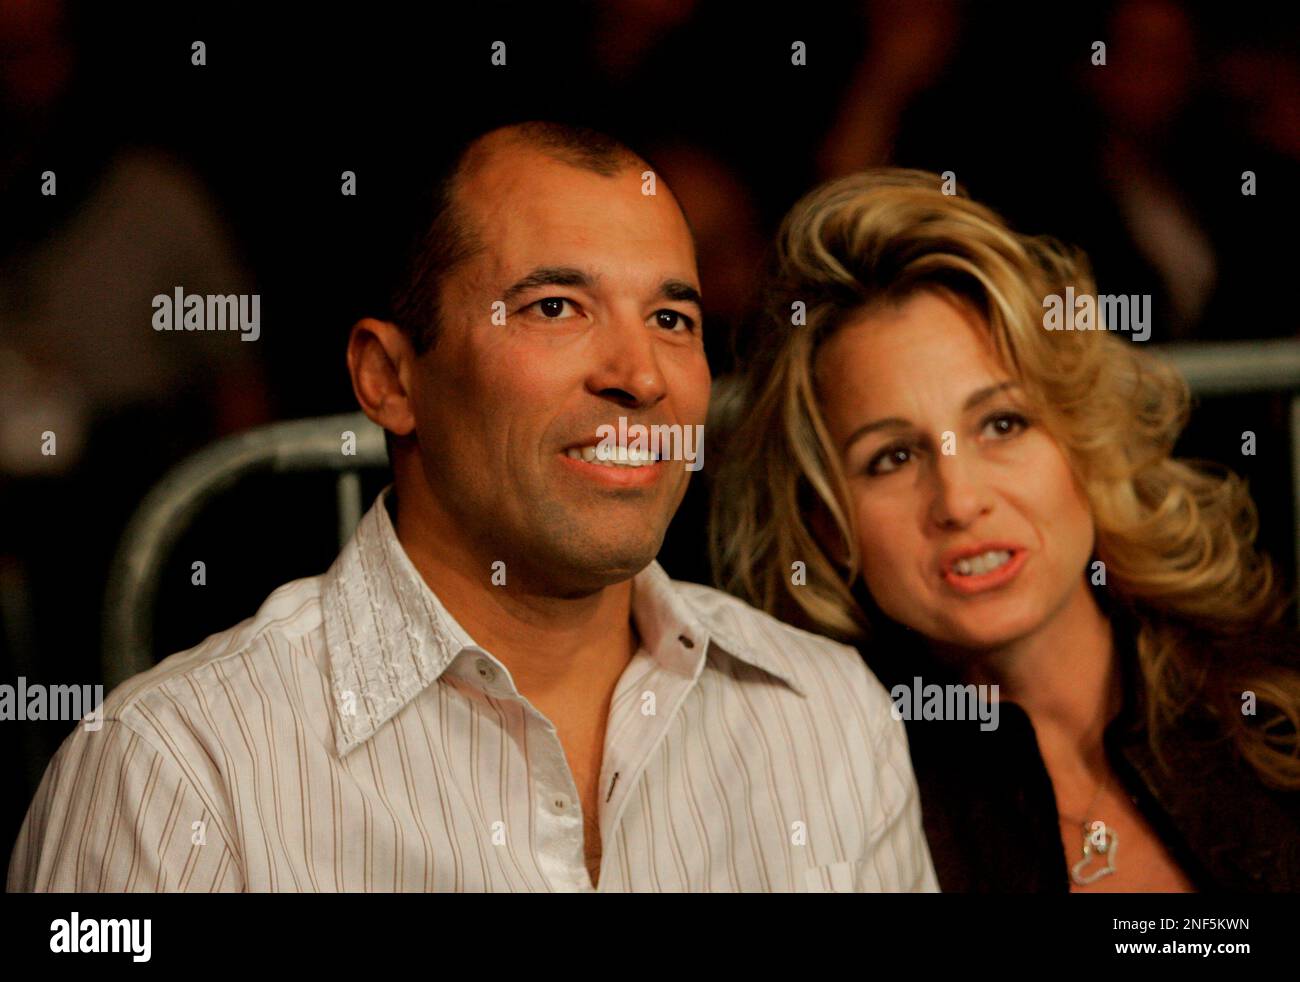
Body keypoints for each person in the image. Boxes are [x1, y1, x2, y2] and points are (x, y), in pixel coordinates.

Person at [6, 123, 938, 893]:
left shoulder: (825, 715)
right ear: (389, 378)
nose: (640, 375)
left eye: (671, 319)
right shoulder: (175, 774)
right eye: (554, 307)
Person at [712, 167, 1300, 892]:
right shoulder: (828, 813)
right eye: (891, 457)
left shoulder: (1273, 703)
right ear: (827, 525)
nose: (958, 500)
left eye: (1002, 423)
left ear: (1082, 436)